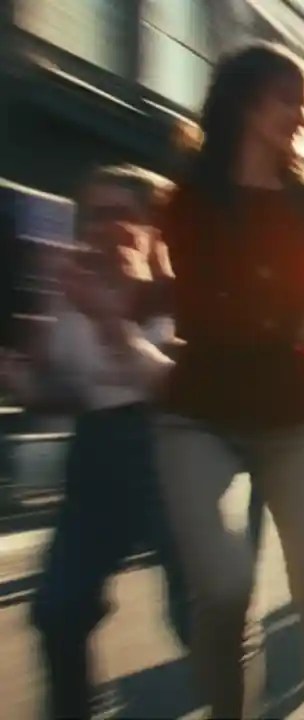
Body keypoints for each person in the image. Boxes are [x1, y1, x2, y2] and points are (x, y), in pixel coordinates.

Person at [154, 42, 304, 717]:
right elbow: (203, 299)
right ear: (244, 101)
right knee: (225, 587)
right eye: (285, 98)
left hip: (295, 412)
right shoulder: (186, 202)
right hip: (201, 413)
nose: (300, 115)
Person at [2, 165, 189, 718]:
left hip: (171, 453)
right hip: (96, 455)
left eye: (119, 215)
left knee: (202, 615)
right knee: (57, 610)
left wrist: (110, 319)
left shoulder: (180, 294)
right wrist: (21, 379)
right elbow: (62, 391)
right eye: (92, 216)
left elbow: (172, 385)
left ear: (152, 226)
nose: (102, 229)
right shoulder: (68, 288)